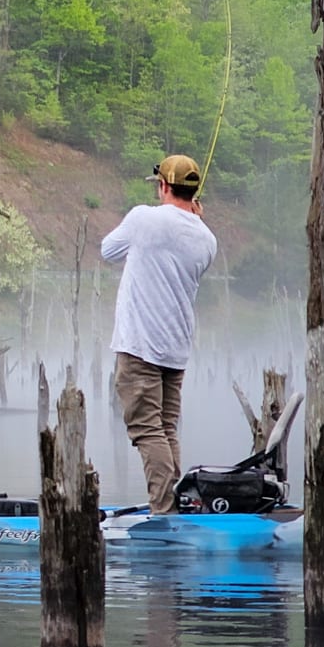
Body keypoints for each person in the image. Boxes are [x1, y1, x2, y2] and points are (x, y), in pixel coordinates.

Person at [101, 153, 217, 514]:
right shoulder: (208, 239)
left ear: (164, 186)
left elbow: (107, 251)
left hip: (140, 346)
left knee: (147, 431)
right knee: (166, 429)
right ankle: (173, 503)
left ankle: (164, 510)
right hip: (176, 349)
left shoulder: (143, 219)